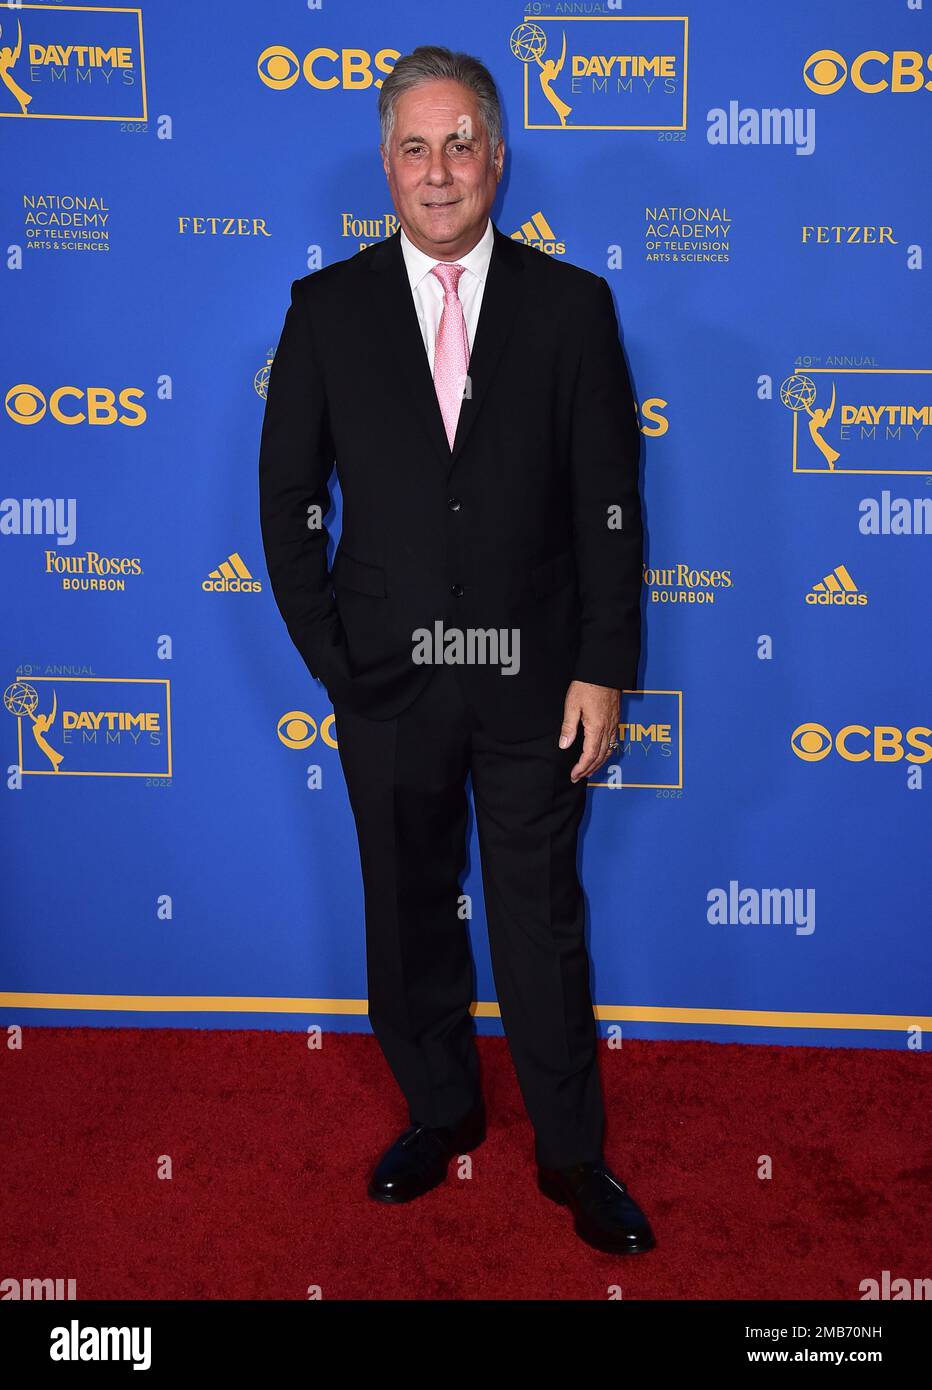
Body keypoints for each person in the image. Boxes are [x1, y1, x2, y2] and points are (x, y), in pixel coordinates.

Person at [258, 45, 653, 1255]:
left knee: (540, 920)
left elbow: (609, 500)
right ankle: (439, 1112)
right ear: (386, 164)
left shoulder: (571, 305)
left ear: (497, 157)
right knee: (408, 909)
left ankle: (573, 1154)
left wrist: (601, 666)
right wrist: (337, 657)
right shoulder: (324, 309)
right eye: (415, 148)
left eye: (460, 144)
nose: (439, 172)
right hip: (388, 679)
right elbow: (288, 499)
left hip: (535, 681)